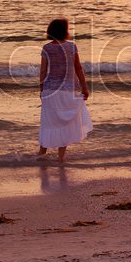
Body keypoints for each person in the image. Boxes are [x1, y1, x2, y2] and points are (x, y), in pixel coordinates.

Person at [38, 18, 92, 163]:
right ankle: (60, 157)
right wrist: (84, 87)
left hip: (50, 90)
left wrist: (41, 88)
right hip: (68, 90)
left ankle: (41, 153)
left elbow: (43, 71)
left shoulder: (47, 48)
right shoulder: (72, 47)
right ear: (64, 31)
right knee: (64, 122)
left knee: (47, 122)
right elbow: (78, 68)